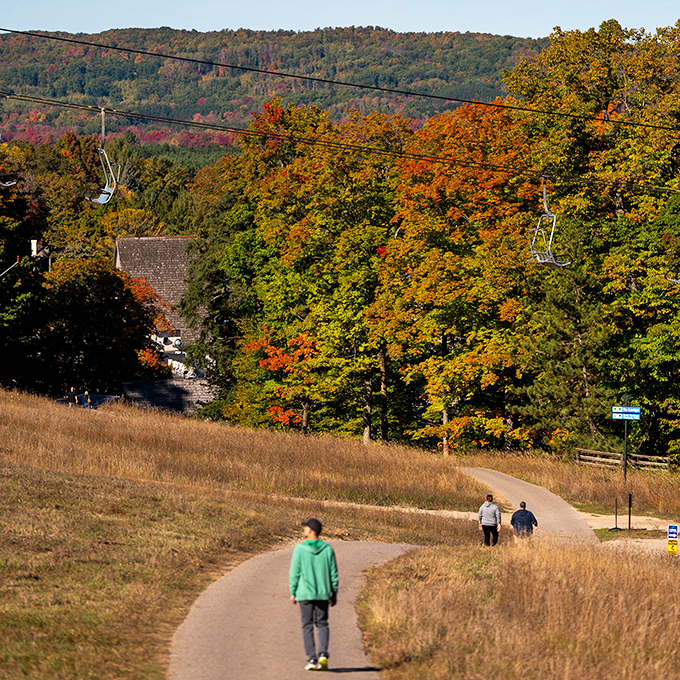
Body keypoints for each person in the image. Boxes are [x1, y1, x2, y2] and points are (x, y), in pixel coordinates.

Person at [289, 518, 338, 671]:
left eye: (305, 527)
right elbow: (333, 573)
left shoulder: (299, 549)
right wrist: (334, 591)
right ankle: (323, 654)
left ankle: (311, 659)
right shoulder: (327, 549)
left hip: (305, 594)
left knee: (307, 625)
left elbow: (294, 572)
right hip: (323, 593)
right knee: (322, 624)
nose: (304, 529)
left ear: (310, 530)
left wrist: (293, 591)